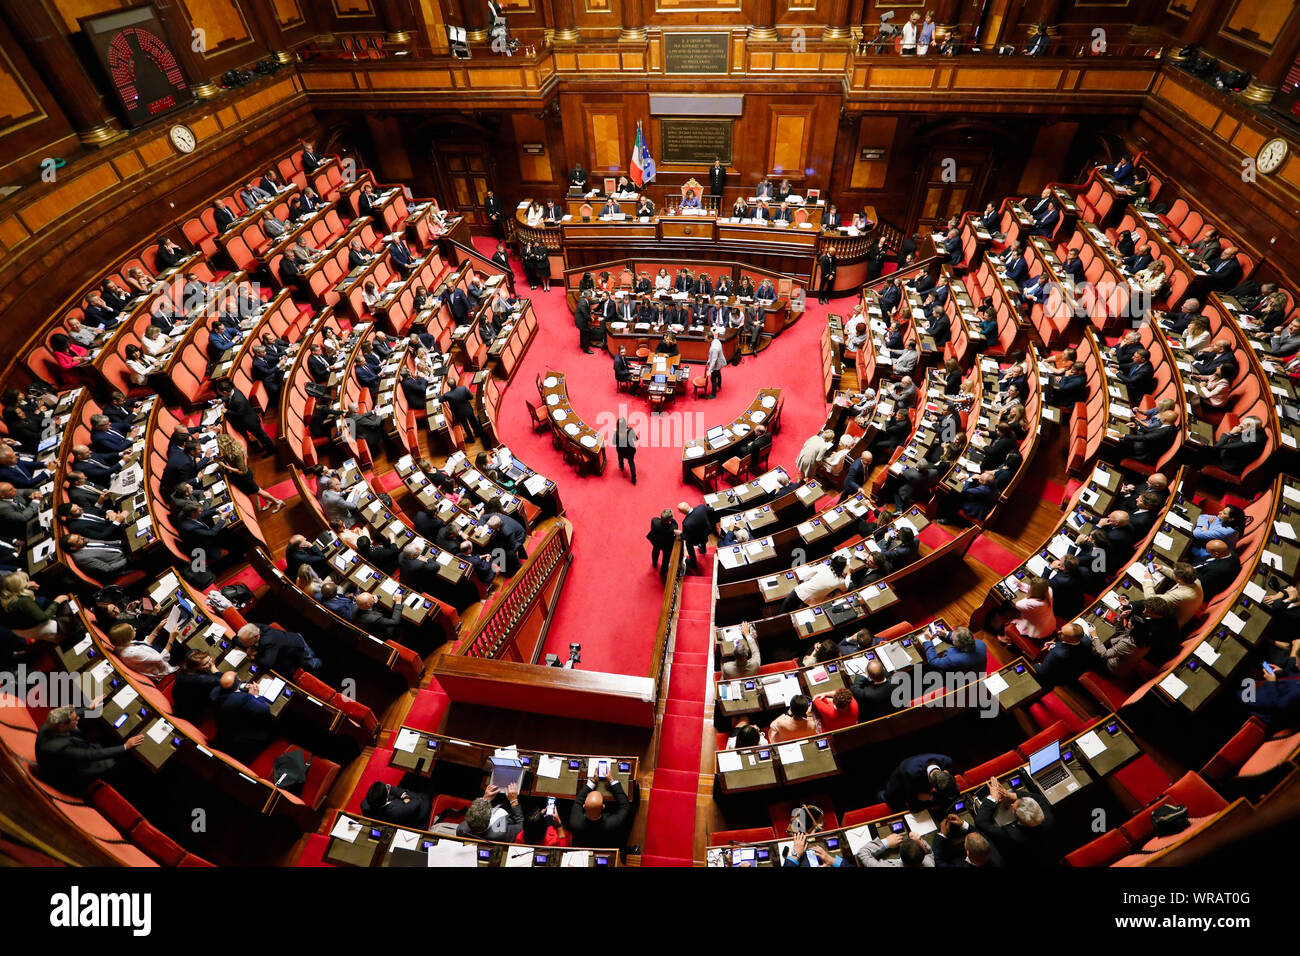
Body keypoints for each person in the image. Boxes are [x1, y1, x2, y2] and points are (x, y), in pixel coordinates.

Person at [36, 707, 144, 794]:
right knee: (119, 764)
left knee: (99, 740)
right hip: (64, 778)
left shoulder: (51, 723)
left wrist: (90, 708)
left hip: (62, 759)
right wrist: (126, 746)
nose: (78, 718)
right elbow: (91, 755)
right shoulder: (60, 748)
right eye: (75, 719)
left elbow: (73, 713)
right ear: (63, 725)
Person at [569, 767, 632, 848]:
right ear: (603, 807)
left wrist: (593, 781)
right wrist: (611, 780)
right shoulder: (613, 823)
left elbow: (578, 802)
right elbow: (625, 806)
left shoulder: (575, 823)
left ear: (584, 806)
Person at [881, 753, 958, 812]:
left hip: (921, 776)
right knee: (889, 799)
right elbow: (913, 805)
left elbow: (953, 793)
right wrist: (931, 797)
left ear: (946, 772)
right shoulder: (910, 773)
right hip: (900, 780)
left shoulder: (947, 762)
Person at [235, 622, 322, 673]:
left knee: (311, 664)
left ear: (256, 637)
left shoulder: (269, 641)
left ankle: (322, 664)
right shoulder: (251, 628)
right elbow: (235, 639)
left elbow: (267, 663)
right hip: (282, 644)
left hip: (297, 645)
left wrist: (253, 656)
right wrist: (247, 647)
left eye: (245, 642)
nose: (241, 643)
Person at [781, 555, 850, 613]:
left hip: (801, 591)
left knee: (784, 610)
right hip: (813, 602)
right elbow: (845, 587)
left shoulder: (823, 567)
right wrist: (849, 574)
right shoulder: (840, 581)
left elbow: (806, 575)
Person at [1002, 575, 1054, 646]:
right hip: (1050, 623)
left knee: (1009, 615)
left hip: (1038, 632)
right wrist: (1022, 585)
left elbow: (1018, 605)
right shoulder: (1049, 590)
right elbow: (1038, 590)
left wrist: (1029, 594)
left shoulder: (1029, 603)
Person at [922, 626, 986, 675]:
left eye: (952, 638)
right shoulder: (980, 643)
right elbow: (963, 641)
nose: (950, 637)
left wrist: (927, 641)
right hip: (977, 671)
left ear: (957, 645)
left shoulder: (953, 659)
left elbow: (934, 662)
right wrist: (945, 634)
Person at [678, 500, 717, 572]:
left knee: (688, 544)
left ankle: (693, 563)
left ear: (683, 512)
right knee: (703, 538)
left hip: (696, 538)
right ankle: (703, 549)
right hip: (706, 531)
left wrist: (680, 534)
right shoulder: (701, 508)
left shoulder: (686, 523)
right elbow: (711, 510)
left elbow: (685, 536)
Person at [647, 509, 677, 580]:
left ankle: (654, 563)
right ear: (669, 519)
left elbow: (656, 519)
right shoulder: (672, 528)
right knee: (666, 559)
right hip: (666, 545)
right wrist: (673, 520)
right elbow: (676, 525)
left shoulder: (654, 521)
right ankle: (663, 571)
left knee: (655, 551)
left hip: (656, 541)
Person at [615, 416, 637, 484]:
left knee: (620, 456)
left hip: (621, 451)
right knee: (631, 463)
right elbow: (636, 438)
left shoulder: (617, 433)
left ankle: (621, 465)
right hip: (630, 451)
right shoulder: (630, 430)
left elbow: (615, 442)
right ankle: (633, 479)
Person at [705, 331, 725, 397]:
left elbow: (714, 360)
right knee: (718, 373)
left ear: (710, 339)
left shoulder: (714, 348)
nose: (705, 340)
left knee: (713, 378)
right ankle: (719, 384)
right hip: (719, 361)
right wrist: (708, 360)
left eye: (706, 339)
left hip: (717, 363)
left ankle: (713, 394)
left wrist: (709, 370)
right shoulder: (716, 340)